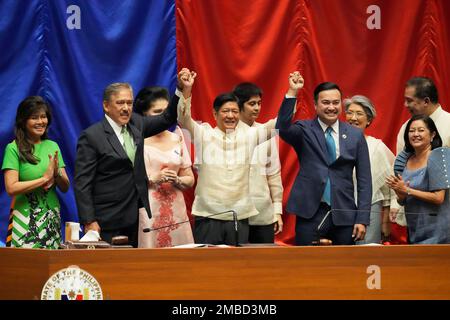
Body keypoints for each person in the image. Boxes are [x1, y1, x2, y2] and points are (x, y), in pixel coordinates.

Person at [74, 75, 190, 247]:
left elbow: (167, 118)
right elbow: (82, 183)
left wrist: (181, 89)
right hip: (106, 218)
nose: (126, 108)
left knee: (129, 268)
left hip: (134, 216)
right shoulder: (92, 136)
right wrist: (89, 220)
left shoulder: (136, 124)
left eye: (129, 103)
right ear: (106, 106)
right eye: (120, 103)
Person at [177, 68, 276, 245]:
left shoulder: (250, 136)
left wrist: (292, 93)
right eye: (225, 111)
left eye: (235, 111)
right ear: (215, 114)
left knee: (237, 268)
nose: (230, 115)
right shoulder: (203, 134)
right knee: (207, 266)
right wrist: (186, 90)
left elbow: (279, 123)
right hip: (208, 215)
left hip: (239, 215)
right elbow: (183, 118)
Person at [275, 71, 372, 246]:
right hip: (310, 211)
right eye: (325, 102)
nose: (331, 107)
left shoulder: (355, 135)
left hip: (344, 212)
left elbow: (365, 180)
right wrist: (292, 92)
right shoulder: (304, 130)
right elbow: (281, 127)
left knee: (344, 266)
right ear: (315, 105)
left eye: (336, 103)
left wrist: (362, 218)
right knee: (307, 265)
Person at [2, 96, 70, 249]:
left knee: (51, 269)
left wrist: (57, 173)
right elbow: (11, 188)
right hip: (24, 219)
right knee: (25, 269)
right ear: (23, 121)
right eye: (34, 118)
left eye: (43, 117)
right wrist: (44, 178)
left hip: (51, 218)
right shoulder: (13, 148)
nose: (40, 122)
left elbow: (65, 187)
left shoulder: (53, 146)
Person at [133, 86, 195, 247]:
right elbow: (126, 181)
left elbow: (190, 179)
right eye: (156, 112)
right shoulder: (135, 138)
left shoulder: (178, 136)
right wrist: (152, 179)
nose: (163, 116)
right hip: (149, 209)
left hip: (176, 210)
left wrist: (178, 180)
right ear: (144, 114)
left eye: (165, 111)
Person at [391, 77, 450, 240]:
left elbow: (439, 195)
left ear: (426, 101)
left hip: (444, 217)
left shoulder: (448, 124)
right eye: (413, 132)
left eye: (409, 100)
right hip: (417, 216)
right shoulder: (406, 127)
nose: (405, 105)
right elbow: (401, 173)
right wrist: (399, 199)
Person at [233, 82, 283, 243]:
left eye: (259, 103)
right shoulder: (225, 132)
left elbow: (273, 173)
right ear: (239, 105)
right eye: (251, 104)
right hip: (233, 212)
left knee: (264, 263)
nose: (257, 108)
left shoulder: (266, 133)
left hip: (262, 211)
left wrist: (277, 211)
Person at [344, 95, 394, 244]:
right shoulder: (336, 143)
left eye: (359, 114)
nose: (353, 118)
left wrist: (385, 222)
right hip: (342, 208)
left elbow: (389, 187)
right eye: (349, 112)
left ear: (369, 120)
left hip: (370, 208)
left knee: (366, 256)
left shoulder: (376, 146)